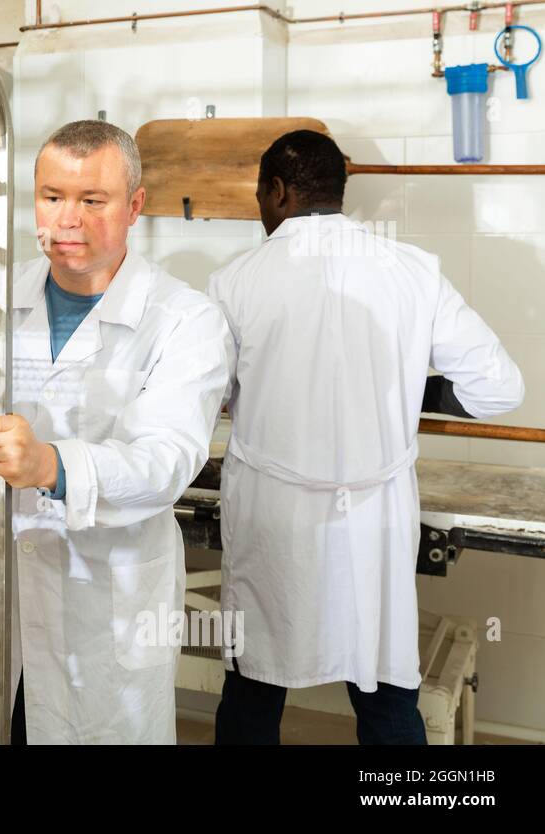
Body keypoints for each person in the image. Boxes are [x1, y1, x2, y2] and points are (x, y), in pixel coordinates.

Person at [0, 120, 234, 743]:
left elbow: (167, 460)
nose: (68, 221)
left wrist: (50, 466)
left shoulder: (184, 319)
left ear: (134, 205)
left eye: (93, 201)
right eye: (52, 197)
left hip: (107, 606)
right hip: (3, 587)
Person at [207, 129, 525, 745]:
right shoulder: (412, 270)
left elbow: (209, 395)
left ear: (276, 191)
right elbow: (497, 390)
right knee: (384, 689)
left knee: (253, 689)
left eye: (259, 197)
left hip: (275, 522)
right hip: (374, 525)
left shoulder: (236, 281)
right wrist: (413, 394)